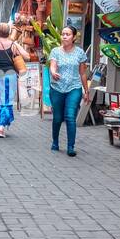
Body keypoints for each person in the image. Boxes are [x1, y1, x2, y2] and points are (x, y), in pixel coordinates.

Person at [48, 24, 89, 157]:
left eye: (67, 34)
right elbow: (52, 66)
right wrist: (54, 73)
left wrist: (86, 91)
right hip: (57, 88)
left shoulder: (80, 53)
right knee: (58, 118)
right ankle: (55, 142)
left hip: (74, 87)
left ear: (74, 37)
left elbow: (82, 73)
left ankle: (70, 147)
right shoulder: (55, 51)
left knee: (70, 117)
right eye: (63, 34)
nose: (64, 36)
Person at [0, 23, 29, 138]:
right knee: (7, 101)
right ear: (9, 33)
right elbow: (27, 56)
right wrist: (16, 45)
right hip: (10, 75)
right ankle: (2, 126)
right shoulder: (13, 45)